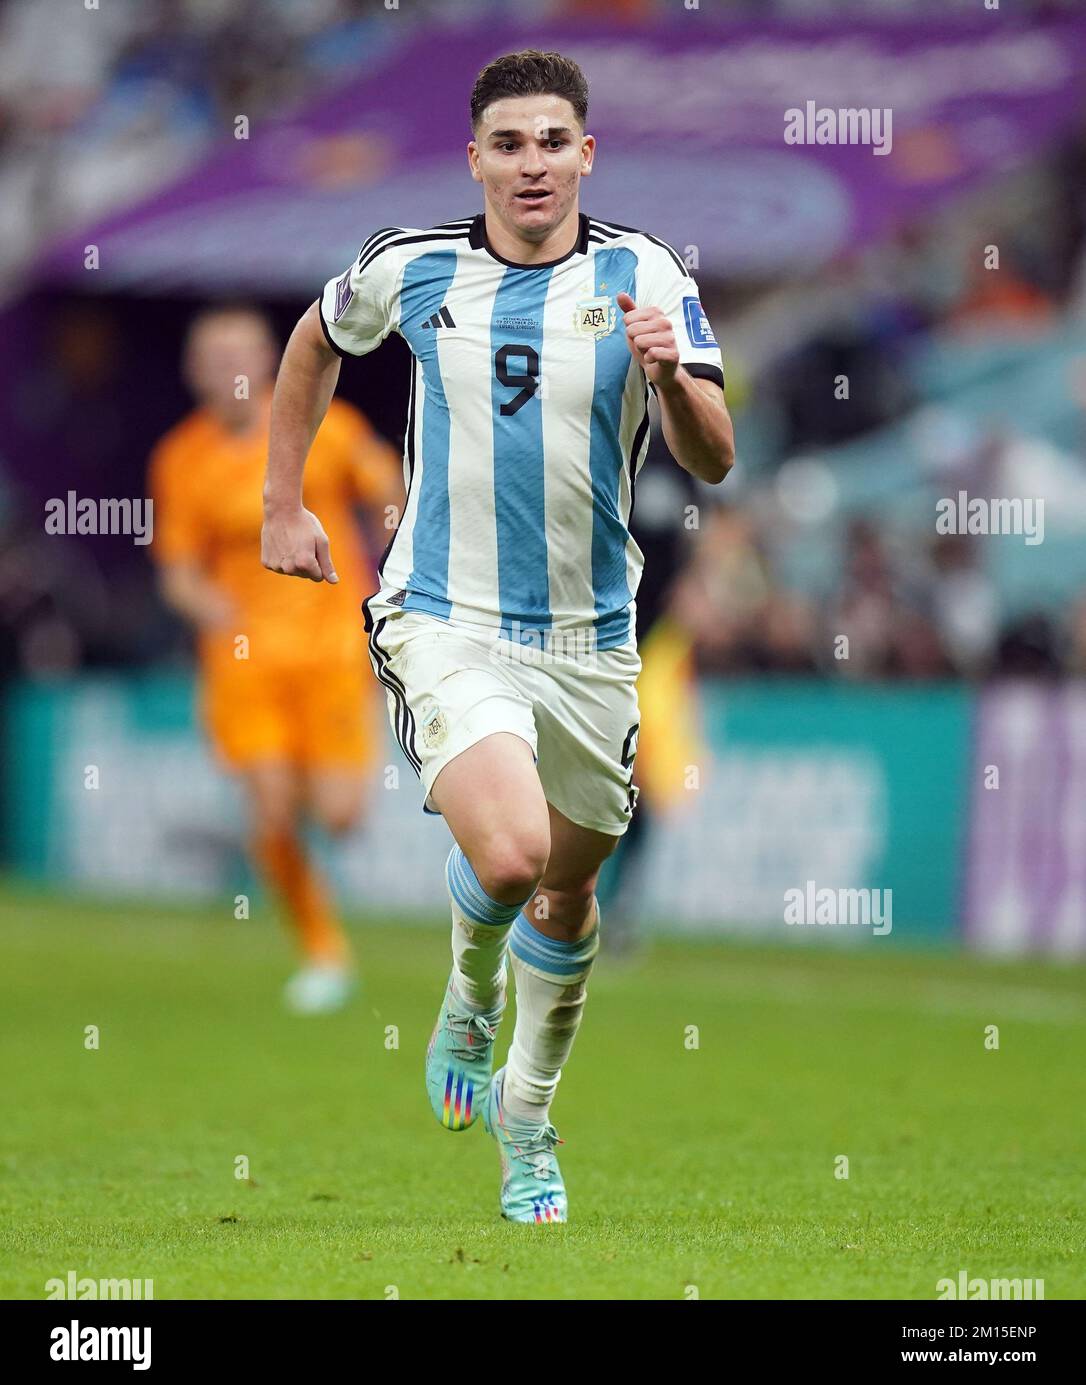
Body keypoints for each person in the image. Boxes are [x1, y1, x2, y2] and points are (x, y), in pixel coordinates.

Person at [261, 50, 734, 1222]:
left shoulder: (648, 273)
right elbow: (318, 340)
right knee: (514, 856)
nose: (534, 165)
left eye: (553, 142)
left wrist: (672, 378)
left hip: (591, 643)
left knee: (570, 899)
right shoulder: (414, 268)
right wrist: (283, 498)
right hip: (445, 617)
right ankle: (469, 995)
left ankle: (527, 1118)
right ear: (475, 158)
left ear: (588, 154)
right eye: (510, 145)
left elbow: (716, 457)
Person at [149, 305, 402, 1013]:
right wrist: (210, 608)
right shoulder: (180, 457)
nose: (230, 367)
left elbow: (391, 496)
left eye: (242, 352)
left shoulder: (327, 427)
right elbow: (178, 568)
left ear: (269, 360)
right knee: (270, 810)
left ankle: (357, 744)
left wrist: (397, 558)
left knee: (341, 815)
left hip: (330, 652)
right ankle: (323, 950)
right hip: (244, 663)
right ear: (192, 370)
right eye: (213, 354)